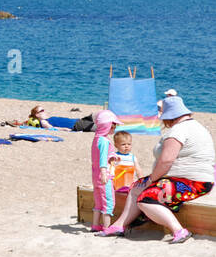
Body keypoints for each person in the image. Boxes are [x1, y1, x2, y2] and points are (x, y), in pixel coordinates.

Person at [100, 96, 215, 243]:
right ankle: (119, 226)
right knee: (137, 186)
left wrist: (151, 179)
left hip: (192, 182)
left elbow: (166, 161)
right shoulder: (197, 126)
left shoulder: (178, 130)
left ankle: (179, 231)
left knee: (147, 199)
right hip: (197, 180)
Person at [89, 110, 121, 231]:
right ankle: (107, 228)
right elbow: (102, 159)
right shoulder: (104, 141)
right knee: (108, 202)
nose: (114, 129)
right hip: (104, 176)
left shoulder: (97, 138)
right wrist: (104, 173)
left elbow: (98, 157)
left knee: (98, 202)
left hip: (95, 175)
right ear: (106, 126)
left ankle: (95, 225)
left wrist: (113, 157)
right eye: (112, 126)